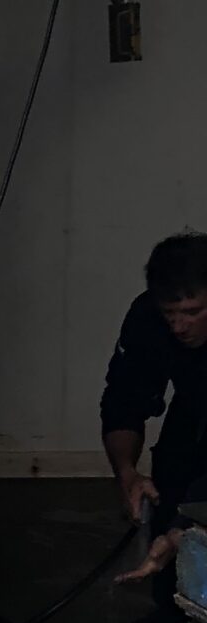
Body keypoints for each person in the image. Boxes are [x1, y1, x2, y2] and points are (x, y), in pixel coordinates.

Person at [103, 232, 207, 590]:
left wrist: (186, 528)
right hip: (193, 406)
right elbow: (123, 402)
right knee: (169, 485)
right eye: (170, 314)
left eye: (192, 313)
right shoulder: (147, 317)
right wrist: (127, 473)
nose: (179, 326)